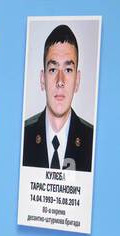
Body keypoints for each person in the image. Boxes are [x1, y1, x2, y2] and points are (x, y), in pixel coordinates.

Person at [22, 24, 94, 172]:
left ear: (77, 80)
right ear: (42, 79)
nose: (60, 81)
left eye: (68, 70)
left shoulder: (92, 140)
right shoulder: (24, 135)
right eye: (53, 69)